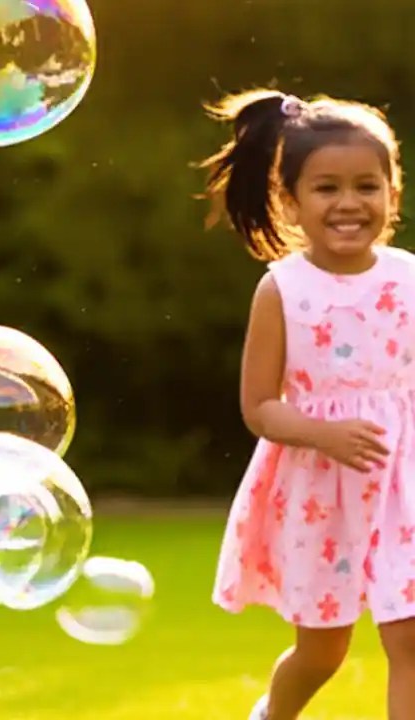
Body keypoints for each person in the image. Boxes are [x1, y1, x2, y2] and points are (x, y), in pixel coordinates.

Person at [203, 88, 415, 720]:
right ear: (291, 201)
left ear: (391, 192)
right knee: (322, 652)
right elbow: (259, 407)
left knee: (409, 637)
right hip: (324, 488)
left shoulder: (408, 278)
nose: (349, 203)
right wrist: (324, 435)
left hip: (405, 482)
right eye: (327, 188)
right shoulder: (283, 290)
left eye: (366, 186)